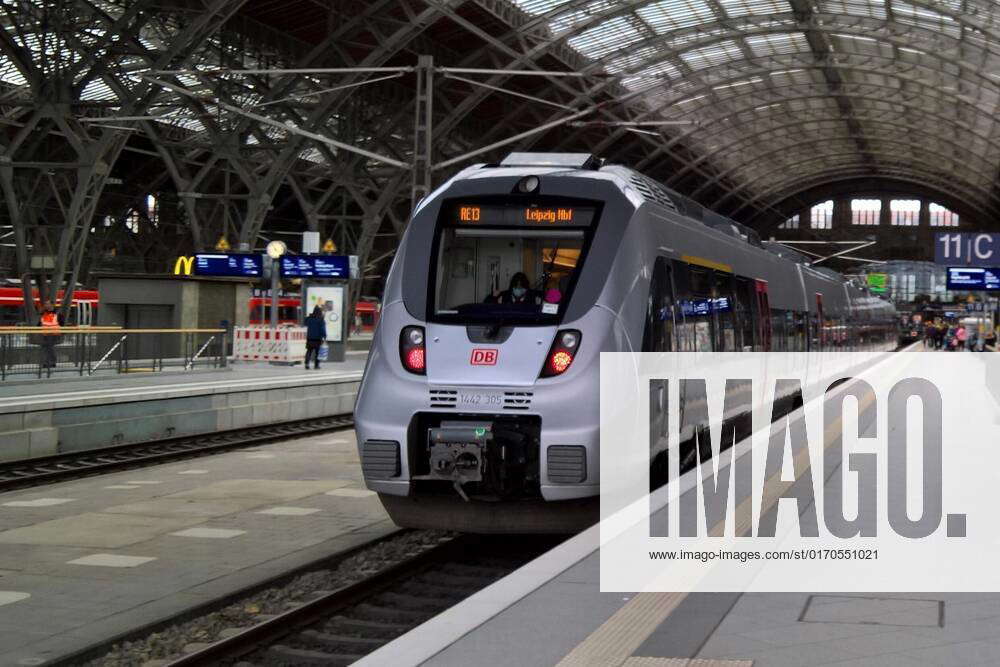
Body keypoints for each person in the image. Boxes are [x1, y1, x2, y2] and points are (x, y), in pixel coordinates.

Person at [38, 301, 63, 369]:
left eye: (47, 304)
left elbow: (61, 323)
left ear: (52, 305)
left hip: (53, 334)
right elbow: (40, 323)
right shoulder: (43, 313)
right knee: (46, 348)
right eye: (45, 304)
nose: (45, 305)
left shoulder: (57, 314)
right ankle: (46, 362)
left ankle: (51, 363)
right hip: (45, 334)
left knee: (50, 348)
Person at [304, 305, 326, 370]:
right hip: (318, 339)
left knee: (309, 351)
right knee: (317, 353)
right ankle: (316, 365)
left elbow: (305, 324)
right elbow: (322, 329)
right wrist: (324, 336)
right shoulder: (321, 319)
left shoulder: (309, 318)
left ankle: (307, 364)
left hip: (309, 338)